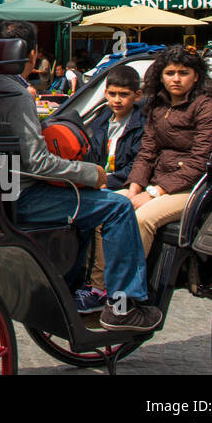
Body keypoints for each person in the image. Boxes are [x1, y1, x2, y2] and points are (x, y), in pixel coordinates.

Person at [0, 20, 164, 333]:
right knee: (117, 207)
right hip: (23, 197)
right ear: (32, 55)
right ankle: (124, 303)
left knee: (90, 210)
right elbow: (36, 163)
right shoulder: (16, 94)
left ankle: (75, 288)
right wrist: (91, 173)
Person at [123, 45, 212, 255]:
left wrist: (154, 193)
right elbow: (146, 152)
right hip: (154, 183)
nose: (176, 79)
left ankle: (131, 286)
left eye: (183, 73)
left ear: (196, 77)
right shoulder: (158, 106)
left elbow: (199, 162)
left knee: (142, 219)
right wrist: (133, 190)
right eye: (170, 73)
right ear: (161, 77)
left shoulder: (206, 108)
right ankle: (99, 283)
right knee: (107, 207)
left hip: (188, 189)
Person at [76, 63, 148, 311]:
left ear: (137, 96)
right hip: (101, 180)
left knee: (102, 217)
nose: (117, 100)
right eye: (112, 94)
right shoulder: (101, 119)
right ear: (105, 93)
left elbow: (138, 164)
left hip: (122, 184)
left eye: (124, 95)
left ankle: (99, 288)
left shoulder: (141, 124)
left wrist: (102, 180)